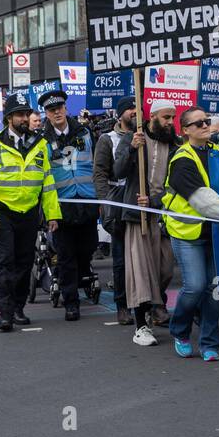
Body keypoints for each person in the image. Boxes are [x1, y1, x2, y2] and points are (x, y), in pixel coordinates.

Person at [164, 106, 219, 361]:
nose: (205, 125)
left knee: (214, 289)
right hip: (187, 232)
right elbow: (203, 200)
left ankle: (210, 343)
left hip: (214, 232)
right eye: (198, 123)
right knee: (194, 286)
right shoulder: (181, 160)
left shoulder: (215, 153)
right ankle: (179, 330)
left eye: (207, 121)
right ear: (185, 131)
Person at [0, 90, 62, 333]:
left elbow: (47, 181)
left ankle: (18, 307)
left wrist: (53, 214)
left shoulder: (40, 144)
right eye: (20, 115)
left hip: (29, 211)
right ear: (9, 118)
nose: (25, 119)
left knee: (25, 262)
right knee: (5, 261)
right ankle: (5, 312)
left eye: (27, 114)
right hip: (3, 211)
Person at [113, 98, 178, 344]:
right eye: (166, 117)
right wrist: (131, 149)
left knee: (164, 268)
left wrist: (156, 201)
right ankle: (141, 326)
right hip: (136, 216)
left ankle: (154, 306)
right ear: (152, 118)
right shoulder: (133, 139)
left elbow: (174, 183)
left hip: (161, 215)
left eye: (172, 118)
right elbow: (117, 171)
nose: (170, 122)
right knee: (140, 271)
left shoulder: (174, 145)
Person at [39, 89, 100, 322]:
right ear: (46, 113)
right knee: (65, 255)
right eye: (51, 110)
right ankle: (71, 302)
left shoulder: (84, 132)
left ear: (66, 108)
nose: (57, 113)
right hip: (61, 202)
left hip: (86, 198)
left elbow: (94, 164)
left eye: (60, 108)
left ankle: (83, 276)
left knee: (88, 247)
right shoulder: (42, 139)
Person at [93, 96, 136, 325]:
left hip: (140, 201)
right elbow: (100, 173)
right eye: (130, 108)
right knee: (120, 258)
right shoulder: (107, 140)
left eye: (137, 107)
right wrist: (105, 202)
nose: (134, 111)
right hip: (118, 202)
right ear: (120, 114)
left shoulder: (144, 136)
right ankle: (122, 305)